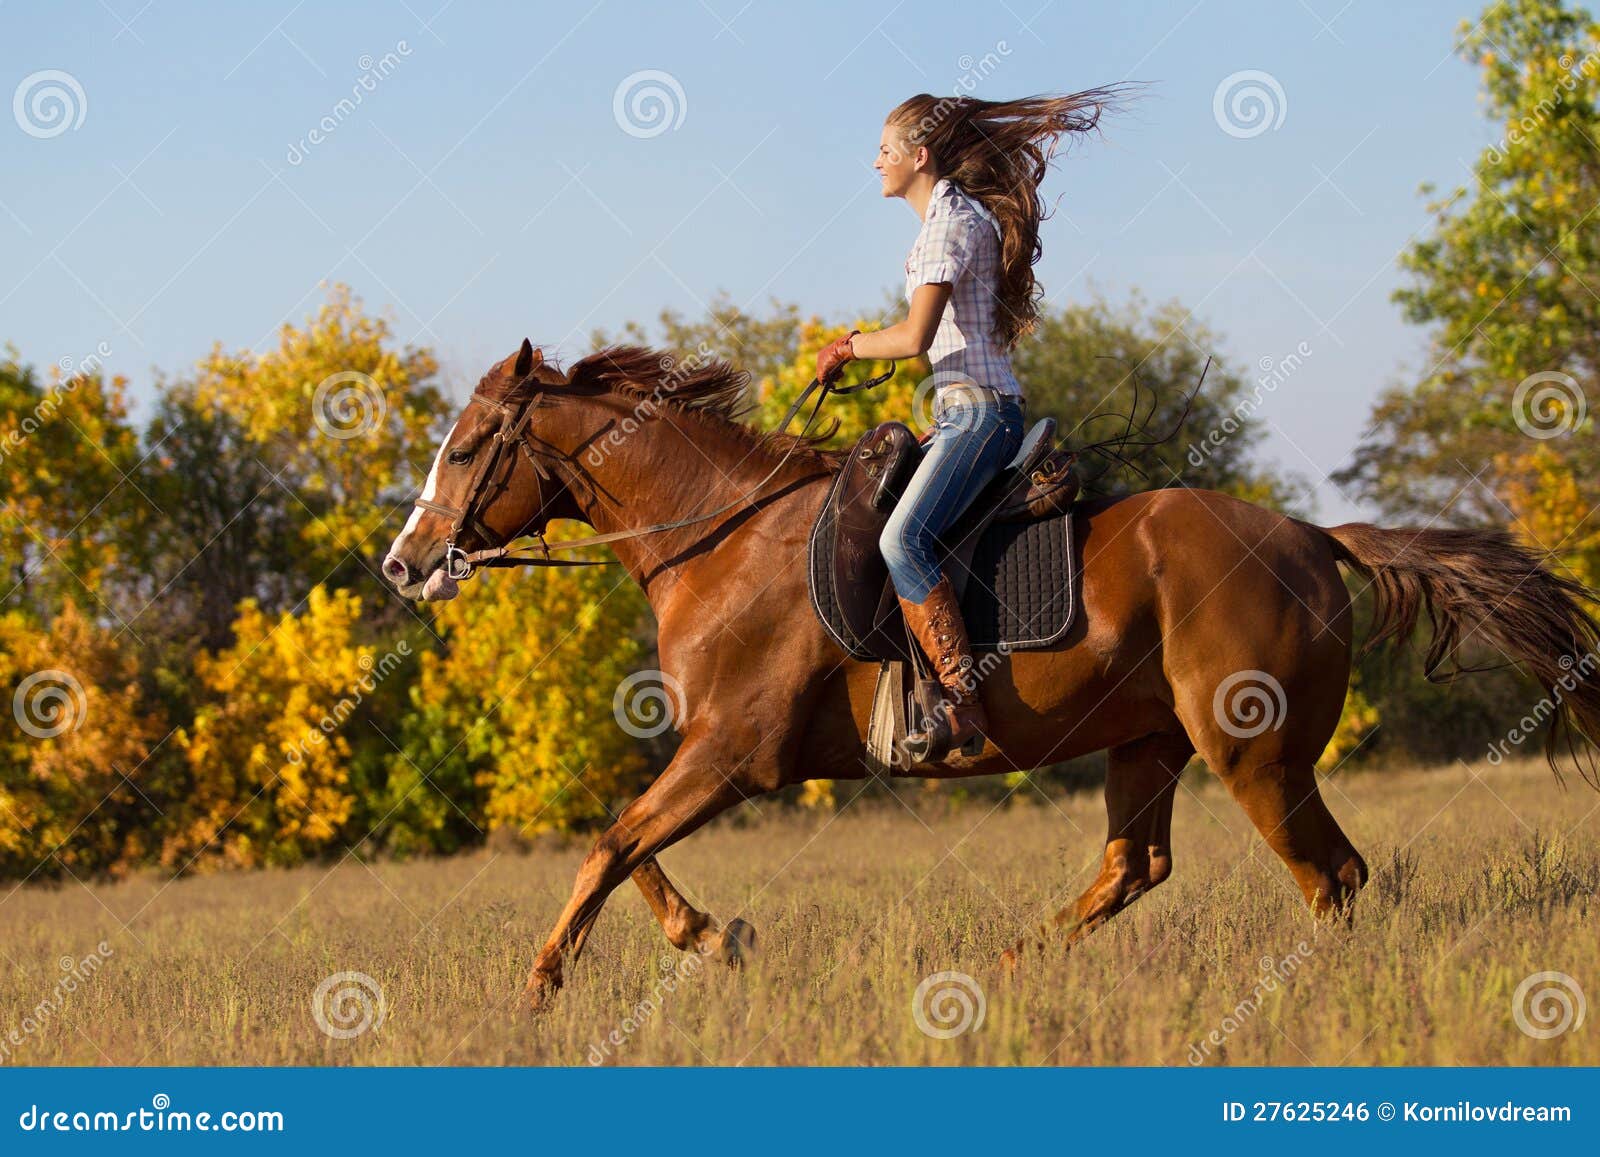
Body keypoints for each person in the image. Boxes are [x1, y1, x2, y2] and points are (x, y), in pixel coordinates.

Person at [816, 90, 1120, 763]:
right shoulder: (954, 220)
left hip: (979, 415)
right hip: (965, 412)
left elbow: (915, 338)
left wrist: (846, 346)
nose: (875, 163)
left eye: (885, 151)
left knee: (903, 541)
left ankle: (961, 700)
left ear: (918, 156)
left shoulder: (948, 227)